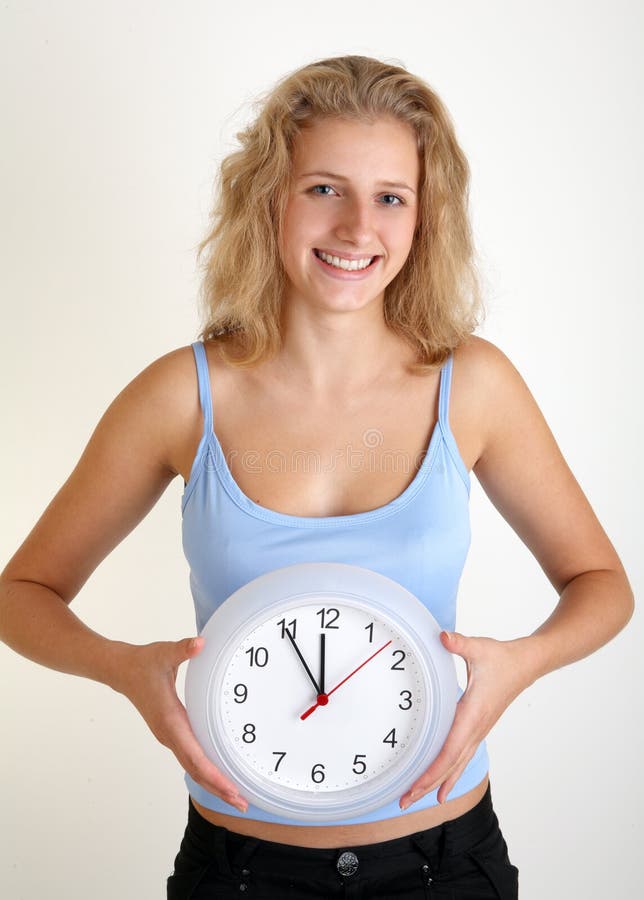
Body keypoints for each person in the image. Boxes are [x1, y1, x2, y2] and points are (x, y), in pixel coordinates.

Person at [0, 54, 633, 899]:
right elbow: (23, 593)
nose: (357, 228)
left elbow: (602, 585)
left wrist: (521, 664)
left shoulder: (473, 384)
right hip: (241, 870)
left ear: (424, 218)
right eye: (325, 189)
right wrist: (124, 668)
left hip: (444, 862)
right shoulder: (182, 396)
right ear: (271, 199)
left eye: (391, 197)